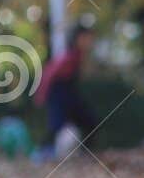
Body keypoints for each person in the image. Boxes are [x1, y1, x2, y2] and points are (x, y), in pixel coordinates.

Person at [34, 26, 98, 157]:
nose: (88, 42)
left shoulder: (79, 56)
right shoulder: (69, 56)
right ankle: (43, 152)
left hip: (68, 93)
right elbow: (50, 74)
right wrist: (42, 95)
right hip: (59, 93)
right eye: (85, 38)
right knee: (57, 126)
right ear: (77, 39)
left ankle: (83, 152)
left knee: (89, 121)